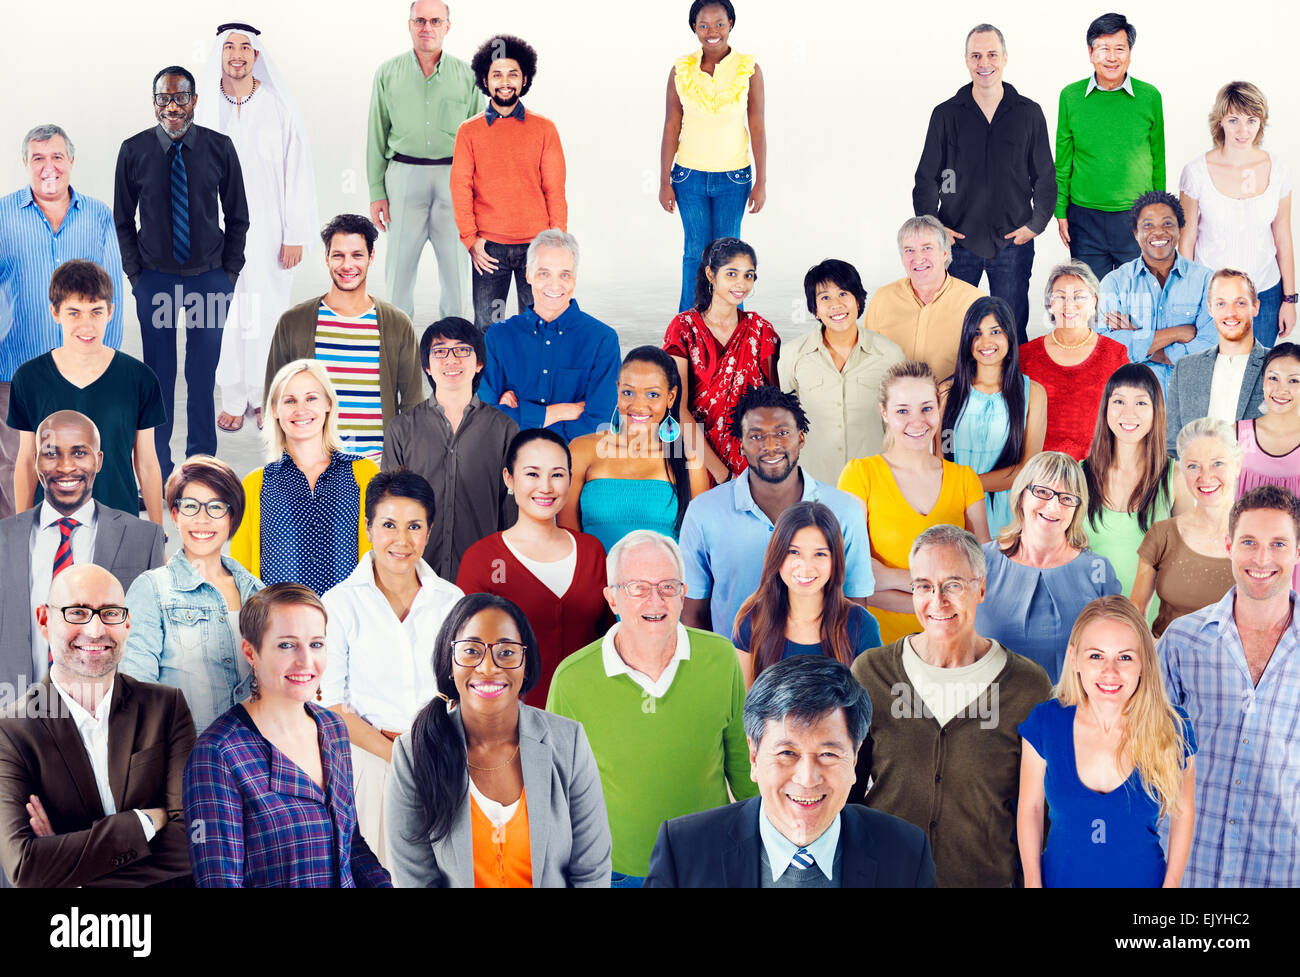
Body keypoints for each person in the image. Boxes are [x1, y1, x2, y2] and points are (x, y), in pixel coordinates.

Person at [547, 531, 758, 887]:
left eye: (667, 587)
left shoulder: (721, 659)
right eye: (638, 588)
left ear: (682, 594)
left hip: (709, 863)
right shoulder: (571, 680)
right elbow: (557, 793)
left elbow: (745, 767)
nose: (655, 600)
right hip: (614, 872)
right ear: (612, 598)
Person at [849, 525, 1051, 887]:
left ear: (981, 589)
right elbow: (848, 790)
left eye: (953, 585)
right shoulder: (872, 673)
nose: (937, 601)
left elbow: (1040, 811)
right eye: (923, 586)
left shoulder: (1027, 686)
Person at [645, 655, 934, 888]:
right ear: (754, 757)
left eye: (828, 754)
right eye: (787, 753)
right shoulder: (683, 851)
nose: (807, 778)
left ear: (855, 759)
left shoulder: (906, 853)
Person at [385, 593, 611, 887]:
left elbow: (591, 872)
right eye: (471, 651)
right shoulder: (412, 753)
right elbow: (415, 880)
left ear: (525, 664)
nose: (488, 668)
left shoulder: (569, 743)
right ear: (449, 662)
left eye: (506, 652)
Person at [183, 583, 391, 887]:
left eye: (316, 644)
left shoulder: (333, 730)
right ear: (251, 652)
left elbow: (351, 847)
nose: (306, 661)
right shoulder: (217, 755)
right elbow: (219, 882)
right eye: (286, 645)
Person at [0, 563, 194, 888]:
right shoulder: (12, 731)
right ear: (45, 621)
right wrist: (143, 821)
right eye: (77, 612)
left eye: (110, 613)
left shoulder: (167, 707)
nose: (95, 630)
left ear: (127, 623)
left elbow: (193, 843)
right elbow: (25, 866)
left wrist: (70, 875)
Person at [320, 470, 464, 866]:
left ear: (429, 531)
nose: (402, 540)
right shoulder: (339, 603)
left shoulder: (452, 601)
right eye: (388, 525)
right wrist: (396, 756)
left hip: (442, 760)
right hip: (369, 762)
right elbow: (333, 706)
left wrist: (431, 757)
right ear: (368, 529)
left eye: (414, 526)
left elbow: (463, 690)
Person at [1159, 484, 1300, 886]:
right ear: (1229, 545)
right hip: (1187, 868)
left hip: (1280, 870)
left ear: (1297, 551)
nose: (1261, 558)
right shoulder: (1182, 640)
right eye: (1249, 542)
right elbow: (1145, 750)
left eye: (1278, 544)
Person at [113, 65, 249, 481]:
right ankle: (157, 470)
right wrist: (137, 277)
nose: (172, 106)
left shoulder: (219, 147)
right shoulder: (133, 150)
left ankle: (201, 466)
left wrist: (228, 275)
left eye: (180, 97)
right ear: (154, 103)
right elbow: (122, 219)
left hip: (209, 279)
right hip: (155, 280)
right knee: (159, 376)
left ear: (194, 100)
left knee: (201, 373)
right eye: (163, 98)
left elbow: (238, 216)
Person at [1019, 595, 1196, 887]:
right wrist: (1033, 883)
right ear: (1074, 659)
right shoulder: (1045, 722)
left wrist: (1172, 883)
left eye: (1125, 657)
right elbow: (1031, 809)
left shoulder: (1173, 727)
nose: (1109, 672)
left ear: (1144, 663)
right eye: (1096, 656)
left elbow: (1184, 812)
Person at [196, 23, 318, 434]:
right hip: (215, 233)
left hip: (269, 231)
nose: (236, 54)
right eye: (228, 46)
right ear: (220, 54)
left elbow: (296, 172)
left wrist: (295, 233)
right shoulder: (203, 108)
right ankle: (233, 396)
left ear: (256, 56)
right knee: (225, 315)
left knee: (267, 312)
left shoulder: (277, 106)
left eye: (244, 47)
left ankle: (266, 395)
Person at [0, 123, 125, 519]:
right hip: (15, 368)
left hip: (80, 369)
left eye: (56, 156)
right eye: (38, 158)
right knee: (15, 467)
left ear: (71, 161)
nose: (48, 166)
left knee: (81, 465)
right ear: (25, 163)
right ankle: (18, 555)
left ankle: (82, 564)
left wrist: (105, 363)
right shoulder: (3, 216)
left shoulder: (98, 216)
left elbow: (112, 296)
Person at [680, 385, 874, 637]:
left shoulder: (844, 511)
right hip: (736, 672)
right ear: (741, 444)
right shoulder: (703, 513)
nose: (770, 446)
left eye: (782, 433)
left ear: (801, 438)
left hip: (817, 671)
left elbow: (855, 606)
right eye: (756, 436)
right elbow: (692, 613)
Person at [0, 410, 164, 695]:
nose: (65, 467)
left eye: (79, 453)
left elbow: (152, 639)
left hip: (112, 718)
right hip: (15, 718)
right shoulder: (5, 538)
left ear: (98, 461)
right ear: (35, 461)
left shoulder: (143, 538)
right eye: (51, 454)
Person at [913, 23, 1055, 346]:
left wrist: (1036, 225)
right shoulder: (946, 115)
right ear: (966, 60)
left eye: (992, 54)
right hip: (958, 243)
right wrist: (934, 227)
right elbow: (926, 178)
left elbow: (1045, 176)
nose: (984, 63)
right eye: (976, 55)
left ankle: (1012, 393)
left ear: (1005, 58)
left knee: (1012, 327)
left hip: (1013, 244)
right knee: (956, 328)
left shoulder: (1029, 114)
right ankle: (958, 392)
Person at [457, 428, 612, 708]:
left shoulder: (593, 552)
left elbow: (610, 640)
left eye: (557, 474)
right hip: (510, 724)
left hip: (591, 718)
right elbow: (468, 658)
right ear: (509, 478)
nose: (546, 487)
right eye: (532, 474)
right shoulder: (481, 559)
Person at [837, 360, 989, 644]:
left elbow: (983, 575)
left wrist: (887, 578)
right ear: (884, 413)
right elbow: (851, 577)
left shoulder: (965, 479)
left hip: (951, 646)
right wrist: (947, 595)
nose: (917, 421)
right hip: (879, 649)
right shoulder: (860, 474)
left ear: (938, 409)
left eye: (926, 408)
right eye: (902, 411)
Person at [7, 260, 165, 521]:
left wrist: (156, 534)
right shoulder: (28, 378)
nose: (87, 325)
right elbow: (26, 460)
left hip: (118, 526)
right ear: (55, 312)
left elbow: (147, 462)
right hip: (50, 525)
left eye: (96, 312)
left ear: (110, 312)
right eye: (74, 313)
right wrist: (23, 533)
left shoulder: (140, 378)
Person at [120, 456, 264, 734]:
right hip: (184, 757)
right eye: (190, 507)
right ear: (175, 515)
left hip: (251, 759)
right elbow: (135, 694)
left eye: (216, 507)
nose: (202, 519)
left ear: (232, 516)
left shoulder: (257, 592)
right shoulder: (151, 589)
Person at [263, 214, 424, 461]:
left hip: (378, 471)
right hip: (311, 470)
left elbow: (412, 407)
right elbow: (273, 401)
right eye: (338, 255)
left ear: (371, 258)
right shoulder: (293, 323)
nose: (347, 265)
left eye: (357, 255)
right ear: (326, 259)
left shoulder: (397, 324)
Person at [368, 0, 483, 321]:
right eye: (420, 21)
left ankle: (456, 345)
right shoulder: (387, 73)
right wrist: (377, 190)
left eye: (435, 21)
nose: (427, 28)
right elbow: (376, 132)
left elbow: (479, 141)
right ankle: (396, 343)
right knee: (399, 272)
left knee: (457, 270)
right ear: (409, 25)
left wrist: (478, 194)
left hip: (454, 178)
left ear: (448, 26)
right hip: (403, 177)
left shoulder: (469, 76)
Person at [383, 316, 517, 581]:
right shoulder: (401, 429)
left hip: (484, 576)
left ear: (479, 363)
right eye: (440, 351)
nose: (451, 359)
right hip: (415, 576)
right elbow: (390, 508)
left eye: (462, 350)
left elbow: (511, 511)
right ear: (427, 367)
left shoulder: (504, 429)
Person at [230, 360, 379, 595]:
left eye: (311, 398)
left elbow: (381, 559)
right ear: (275, 411)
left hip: (351, 625)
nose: (301, 410)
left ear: (329, 404)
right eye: (289, 401)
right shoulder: (255, 485)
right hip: (278, 626)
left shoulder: (364, 474)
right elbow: (241, 574)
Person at [451, 34, 566, 332]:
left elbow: (555, 189)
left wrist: (555, 244)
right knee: (489, 330)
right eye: (497, 75)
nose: (505, 82)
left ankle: (535, 381)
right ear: (485, 81)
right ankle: (490, 381)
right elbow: (461, 187)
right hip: (489, 250)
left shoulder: (544, 128)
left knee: (540, 326)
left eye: (513, 74)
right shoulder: (469, 131)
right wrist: (470, 240)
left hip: (536, 247)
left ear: (525, 79)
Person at [975, 451, 1122, 681]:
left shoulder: (1098, 571)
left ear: (1076, 510)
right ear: (1021, 496)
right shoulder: (979, 561)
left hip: (1070, 711)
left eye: (1066, 498)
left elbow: (1115, 654)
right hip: (989, 711)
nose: (1054, 507)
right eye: (1043, 492)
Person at [659, 0, 767, 314]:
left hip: (734, 178)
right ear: (694, 27)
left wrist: (761, 182)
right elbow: (670, 126)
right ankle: (687, 324)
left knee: (730, 255)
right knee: (695, 252)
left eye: (719, 23)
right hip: (688, 178)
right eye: (703, 25)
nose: (712, 32)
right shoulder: (680, 70)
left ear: (731, 23)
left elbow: (757, 126)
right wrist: (665, 181)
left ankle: (732, 323)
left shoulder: (749, 69)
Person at [1179, 82, 1295, 347]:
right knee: (1216, 375)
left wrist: (1289, 299)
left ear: (1261, 122)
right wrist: (1189, 299)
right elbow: (1187, 241)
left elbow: (1283, 238)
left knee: (1257, 378)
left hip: (1265, 294)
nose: (1243, 131)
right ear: (1220, 121)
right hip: (1213, 295)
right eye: (1234, 120)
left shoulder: (1278, 170)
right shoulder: (1196, 172)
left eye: (1251, 120)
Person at [561, 346, 708, 553]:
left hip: (665, 583)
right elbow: (568, 539)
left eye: (653, 395)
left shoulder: (689, 461)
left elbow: (697, 549)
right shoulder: (581, 450)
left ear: (671, 398)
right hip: (594, 582)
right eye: (628, 392)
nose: (638, 406)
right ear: (617, 390)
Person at [478, 230, 620, 440]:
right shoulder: (498, 337)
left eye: (564, 274)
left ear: (574, 279)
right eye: (544, 273)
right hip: (511, 463)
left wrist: (522, 417)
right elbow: (486, 418)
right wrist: (560, 412)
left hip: (575, 464)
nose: (555, 285)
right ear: (528, 274)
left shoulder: (603, 340)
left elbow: (599, 423)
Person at [1054, 13, 1164, 280]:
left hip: (1137, 216)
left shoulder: (1149, 96)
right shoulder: (1071, 96)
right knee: (1089, 300)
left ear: (1130, 52)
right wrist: (1060, 210)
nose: (1112, 57)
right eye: (1103, 49)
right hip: (1084, 217)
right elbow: (1063, 159)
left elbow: (1157, 159)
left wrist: (1160, 213)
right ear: (1091, 52)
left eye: (1119, 49)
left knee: (1138, 300)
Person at [778, 259, 905, 484]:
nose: (836, 305)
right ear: (814, 308)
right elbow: (785, 424)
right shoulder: (792, 355)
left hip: (874, 480)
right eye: (825, 297)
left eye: (844, 294)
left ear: (858, 300)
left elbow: (898, 425)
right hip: (813, 482)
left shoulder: (890, 355)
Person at [664, 237, 779, 480]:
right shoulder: (683, 328)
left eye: (749, 275)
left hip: (750, 466)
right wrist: (723, 475)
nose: (741, 283)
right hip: (693, 460)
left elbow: (774, 406)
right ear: (710, 274)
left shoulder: (761, 331)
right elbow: (676, 407)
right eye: (731, 274)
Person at [732, 501, 880, 688]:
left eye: (819, 554)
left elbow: (871, 709)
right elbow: (742, 709)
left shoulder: (861, 624)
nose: (806, 567)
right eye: (794, 552)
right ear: (776, 554)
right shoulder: (753, 619)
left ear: (835, 561)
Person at [1080, 363, 1186, 612]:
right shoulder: (1078, 474)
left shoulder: (1176, 476)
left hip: (1152, 624)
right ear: (1105, 407)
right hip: (1089, 618)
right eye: (1118, 402)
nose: (1129, 414)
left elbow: (1185, 561)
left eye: (1140, 403)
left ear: (1156, 411)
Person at [940, 295, 1046, 535]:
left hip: (1008, 519)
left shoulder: (1033, 394)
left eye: (995, 331)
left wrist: (965, 484)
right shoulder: (947, 393)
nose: (985, 342)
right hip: (954, 513)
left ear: (1009, 335)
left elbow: (1026, 470)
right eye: (976, 333)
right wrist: (957, 490)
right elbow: (943, 457)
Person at [1097, 192, 1216, 390]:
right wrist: (1179, 332)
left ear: (1180, 229)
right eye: (1148, 225)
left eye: (1167, 224)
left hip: (1190, 395)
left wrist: (1139, 341)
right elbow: (1106, 349)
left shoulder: (1206, 280)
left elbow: (1209, 347)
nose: (1158, 232)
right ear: (1136, 233)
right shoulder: (1115, 283)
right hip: (1135, 398)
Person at [1133, 419, 1240, 637]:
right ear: (1182, 470)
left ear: (1237, 465)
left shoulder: (1258, 537)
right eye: (1193, 466)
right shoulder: (1162, 534)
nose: (1206, 477)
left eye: (1217, 463)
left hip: (1230, 668)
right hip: (1165, 665)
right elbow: (1136, 612)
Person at [1019, 260, 1130, 459]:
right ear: (1049, 303)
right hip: (1039, 469)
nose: (1069, 305)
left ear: (1094, 301)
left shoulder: (1116, 354)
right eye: (1060, 297)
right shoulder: (1026, 356)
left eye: (1079, 296)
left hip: (1097, 467)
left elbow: (1125, 417)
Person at [864, 216, 984, 386]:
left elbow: (987, 366)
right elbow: (867, 359)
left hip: (953, 405)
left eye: (927, 248)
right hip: (894, 406)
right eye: (909, 250)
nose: (918, 258)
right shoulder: (882, 298)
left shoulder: (975, 302)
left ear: (944, 253)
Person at [1164, 267, 1268, 456]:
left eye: (1240, 303)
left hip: (1257, 481)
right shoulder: (1186, 368)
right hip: (1196, 481)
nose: (1231, 313)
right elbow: (1172, 446)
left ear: (1255, 307)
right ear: (1210, 309)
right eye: (1221, 304)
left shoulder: (1275, 367)